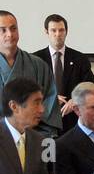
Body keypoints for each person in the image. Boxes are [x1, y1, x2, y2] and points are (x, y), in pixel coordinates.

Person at [0, 10, 61, 138]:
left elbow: (49, 108)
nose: (10, 34)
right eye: (3, 30)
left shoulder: (38, 65)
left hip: (35, 138)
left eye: (13, 28)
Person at [32, 14, 94, 134]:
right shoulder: (35, 59)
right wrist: (50, 99)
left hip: (74, 122)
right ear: (46, 32)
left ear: (66, 32)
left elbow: (90, 86)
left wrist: (75, 100)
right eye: (53, 30)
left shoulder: (80, 59)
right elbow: (29, 89)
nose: (58, 34)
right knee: (48, 153)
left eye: (61, 30)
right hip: (44, 123)